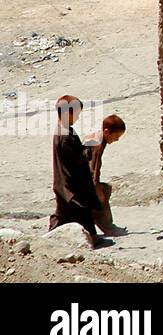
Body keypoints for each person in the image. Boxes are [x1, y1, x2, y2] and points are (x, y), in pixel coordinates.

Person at [49, 95, 100, 241]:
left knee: (70, 213)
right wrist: (90, 145)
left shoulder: (65, 131)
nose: (77, 118)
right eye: (76, 114)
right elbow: (78, 159)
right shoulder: (65, 136)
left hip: (68, 182)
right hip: (70, 184)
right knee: (71, 212)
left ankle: (90, 236)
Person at [83, 114, 127, 235]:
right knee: (103, 193)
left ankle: (106, 225)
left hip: (80, 177)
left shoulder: (97, 136)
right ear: (107, 132)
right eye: (116, 136)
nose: (117, 140)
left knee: (105, 190)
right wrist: (97, 190)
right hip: (81, 181)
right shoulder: (98, 144)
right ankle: (108, 228)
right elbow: (93, 170)